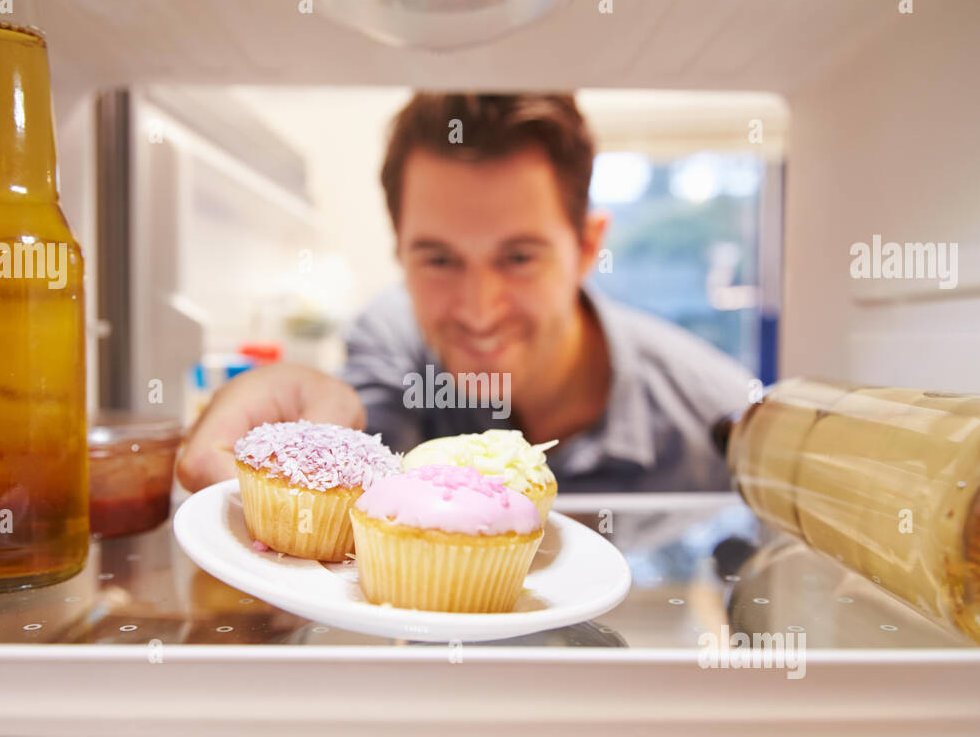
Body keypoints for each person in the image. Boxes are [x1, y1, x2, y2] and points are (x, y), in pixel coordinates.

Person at [177, 93, 754, 494]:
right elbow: (353, 436)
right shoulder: (395, 337)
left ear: (586, 247)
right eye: (440, 259)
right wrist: (291, 420)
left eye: (519, 258)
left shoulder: (717, 423)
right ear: (399, 252)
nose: (479, 311)